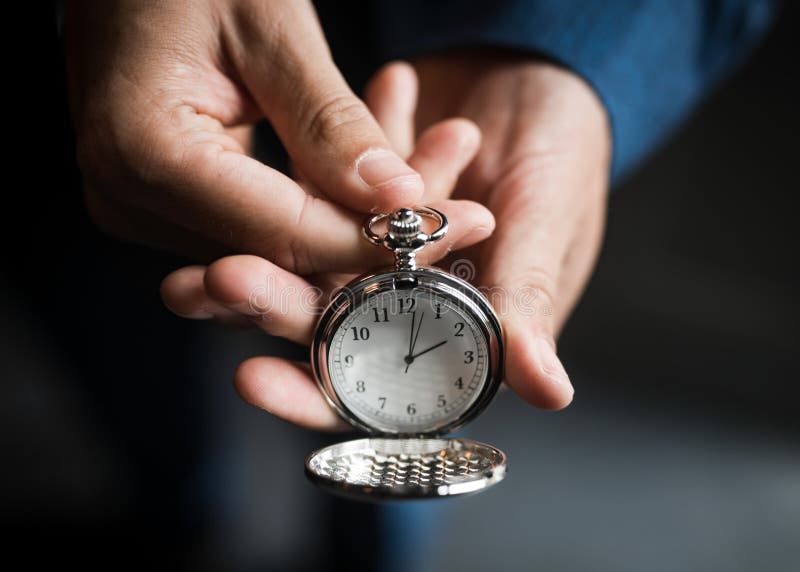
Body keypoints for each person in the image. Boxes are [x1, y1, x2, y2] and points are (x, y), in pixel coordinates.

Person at [64, 0, 777, 567]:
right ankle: (177, 508)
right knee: (131, 347)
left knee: (398, 461)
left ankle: (351, 548)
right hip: (127, 88)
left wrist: (554, 69)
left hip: (464, 25)